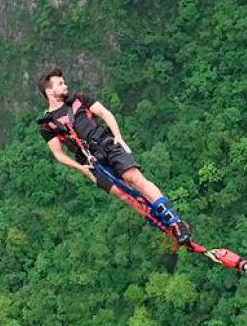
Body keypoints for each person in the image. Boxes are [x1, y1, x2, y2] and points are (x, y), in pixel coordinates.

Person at [36, 67, 193, 245]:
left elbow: (105, 113)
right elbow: (58, 154)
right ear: (49, 91)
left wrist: (118, 138)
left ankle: (176, 222)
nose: (65, 85)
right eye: (60, 83)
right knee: (125, 195)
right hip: (90, 163)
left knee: (134, 179)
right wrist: (81, 169)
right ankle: (163, 226)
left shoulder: (79, 99)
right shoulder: (47, 124)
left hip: (107, 145)